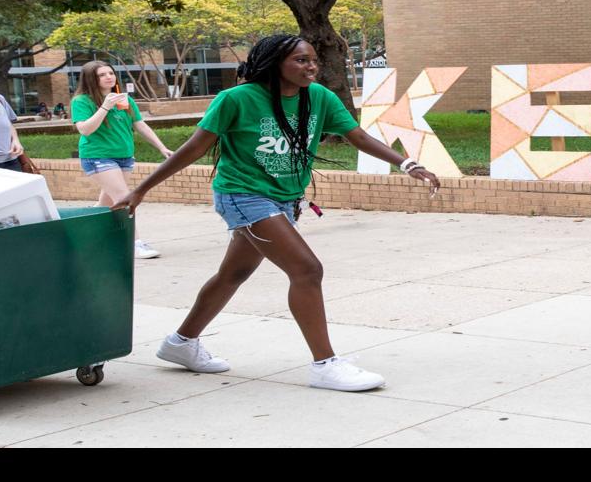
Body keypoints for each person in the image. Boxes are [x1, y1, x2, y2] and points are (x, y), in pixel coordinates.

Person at [111, 34, 441, 392]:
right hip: (243, 194)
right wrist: (141, 189)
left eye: (313, 60)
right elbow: (193, 149)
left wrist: (407, 164)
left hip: (285, 198)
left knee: (233, 274)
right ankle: (325, 365)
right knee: (307, 269)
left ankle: (181, 343)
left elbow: (358, 137)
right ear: (274, 63)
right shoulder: (237, 99)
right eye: (301, 60)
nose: (311, 67)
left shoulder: (319, 97)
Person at [72, 61, 175, 259]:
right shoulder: (82, 101)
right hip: (98, 156)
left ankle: (82, 233)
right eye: (102, 75)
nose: (109, 77)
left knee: (107, 204)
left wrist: (162, 147)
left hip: (124, 157)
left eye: (111, 73)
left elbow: (140, 125)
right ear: (91, 79)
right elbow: (85, 129)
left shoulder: (124, 99)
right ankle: (135, 244)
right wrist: (105, 106)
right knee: (124, 198)